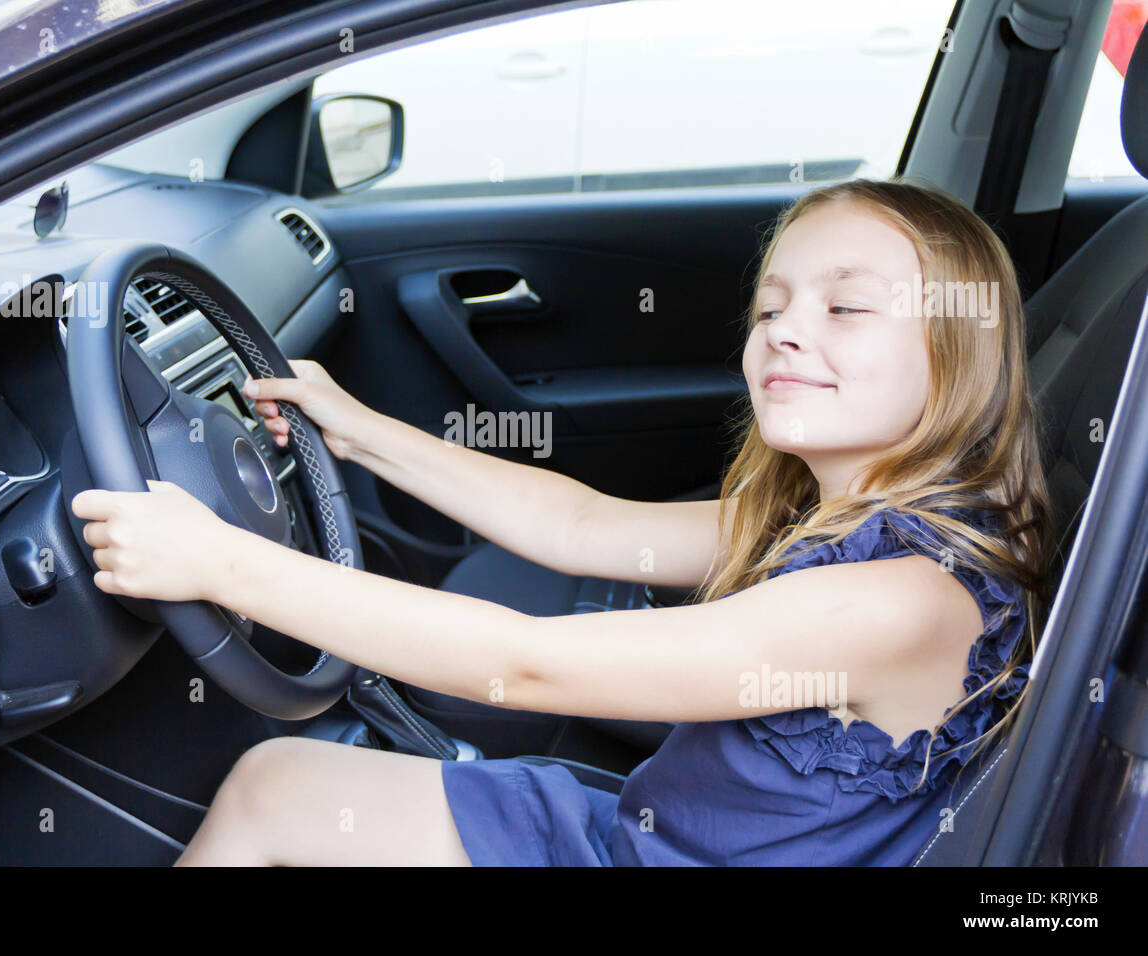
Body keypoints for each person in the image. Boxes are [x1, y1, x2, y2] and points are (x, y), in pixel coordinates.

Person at [69, 178, 1056, 866]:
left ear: (957, 353)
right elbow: (587, 524)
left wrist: (218, 561)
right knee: (271, 782)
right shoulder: (839, 520)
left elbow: (529, 663)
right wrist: (361, 431)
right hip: (653, 835)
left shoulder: (896, 599)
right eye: (770, 307)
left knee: (269, 788)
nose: (786, 328)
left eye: (846, 308)